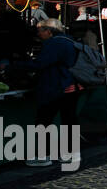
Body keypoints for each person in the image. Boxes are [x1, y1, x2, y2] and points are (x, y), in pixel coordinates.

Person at [26, 20, 79, 167]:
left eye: (40, 30)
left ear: (49, 31)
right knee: (69, 120)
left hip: (56, 86)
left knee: (44, 120)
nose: (38, 34)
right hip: (72, 85)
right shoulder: (69, 40)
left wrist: (15, 66)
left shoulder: (54, 43)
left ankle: (43, 156)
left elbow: (40, 63)